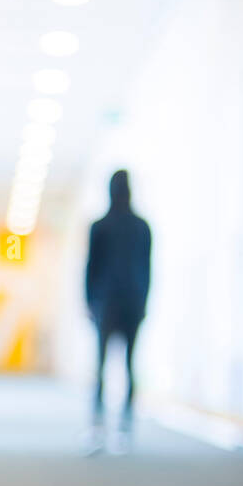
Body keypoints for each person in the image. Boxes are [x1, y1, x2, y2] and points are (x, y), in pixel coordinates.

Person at [85, 169, 151, 443]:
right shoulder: (142, 226)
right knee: (129, 364)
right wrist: (145, 301)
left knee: (101, 364)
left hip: (107, 302)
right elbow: (148, 270)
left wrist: (89, 301)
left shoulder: (100, 226)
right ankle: (126, 423)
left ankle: (98, 422)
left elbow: (91, 268)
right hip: (132, 301)